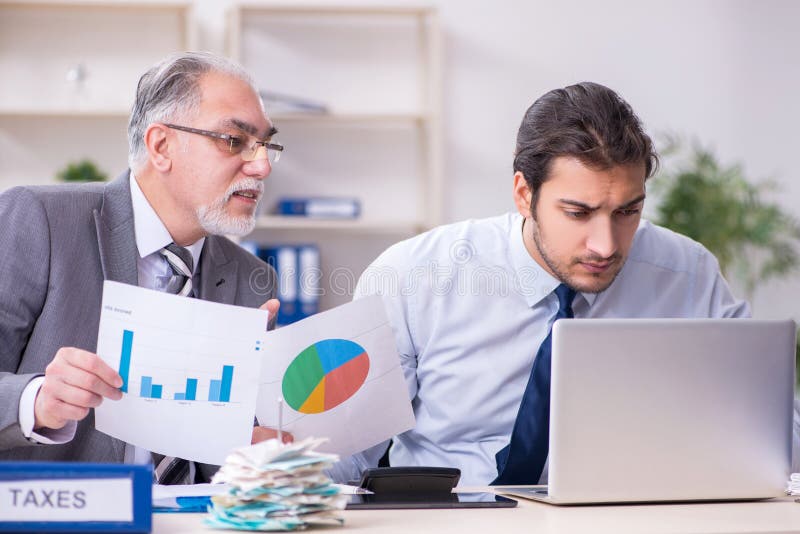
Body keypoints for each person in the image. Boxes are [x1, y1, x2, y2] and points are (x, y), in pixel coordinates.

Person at [328, 81, 752, 486]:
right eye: (578, 213)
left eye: (627, 212)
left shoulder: (688, 275)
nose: (605, 245)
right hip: (456, 517)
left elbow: (766, 430)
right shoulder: (411, 276)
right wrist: (278, 464)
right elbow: (345, 451)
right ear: (523, 194)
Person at [0, 51, 286, 481]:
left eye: (266, 145)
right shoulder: (40, 220)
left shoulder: (254, 278)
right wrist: (35, 399)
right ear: (161, 146)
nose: (261, 165)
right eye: (234, 141)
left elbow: (222, 457)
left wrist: (256, 445)